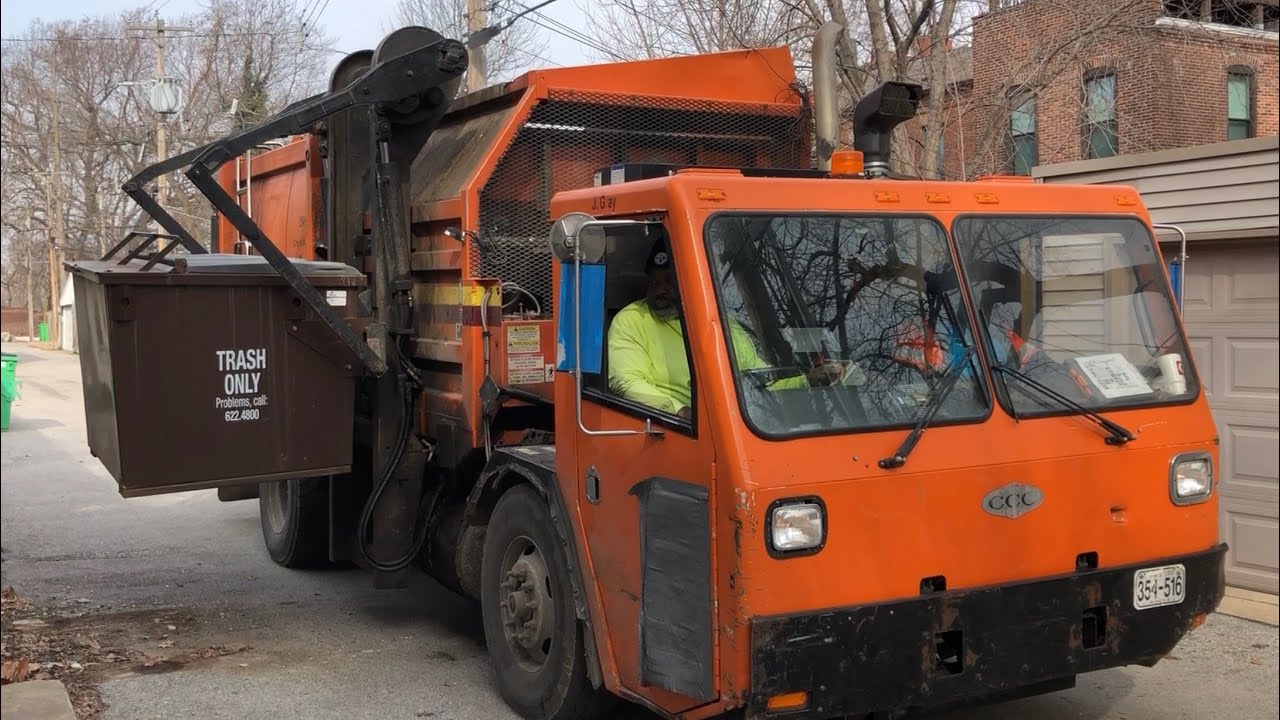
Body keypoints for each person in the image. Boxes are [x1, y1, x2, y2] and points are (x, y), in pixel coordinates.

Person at [607, 240, 843, 419]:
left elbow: (759, 381)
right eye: (655, 283)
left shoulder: (722, 322)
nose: (660, 291)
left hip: (742, 425)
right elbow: (627, 382)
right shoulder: (632, 321)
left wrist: (807, 381)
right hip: (674, 432)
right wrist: (680, 412)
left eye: (670, 282)